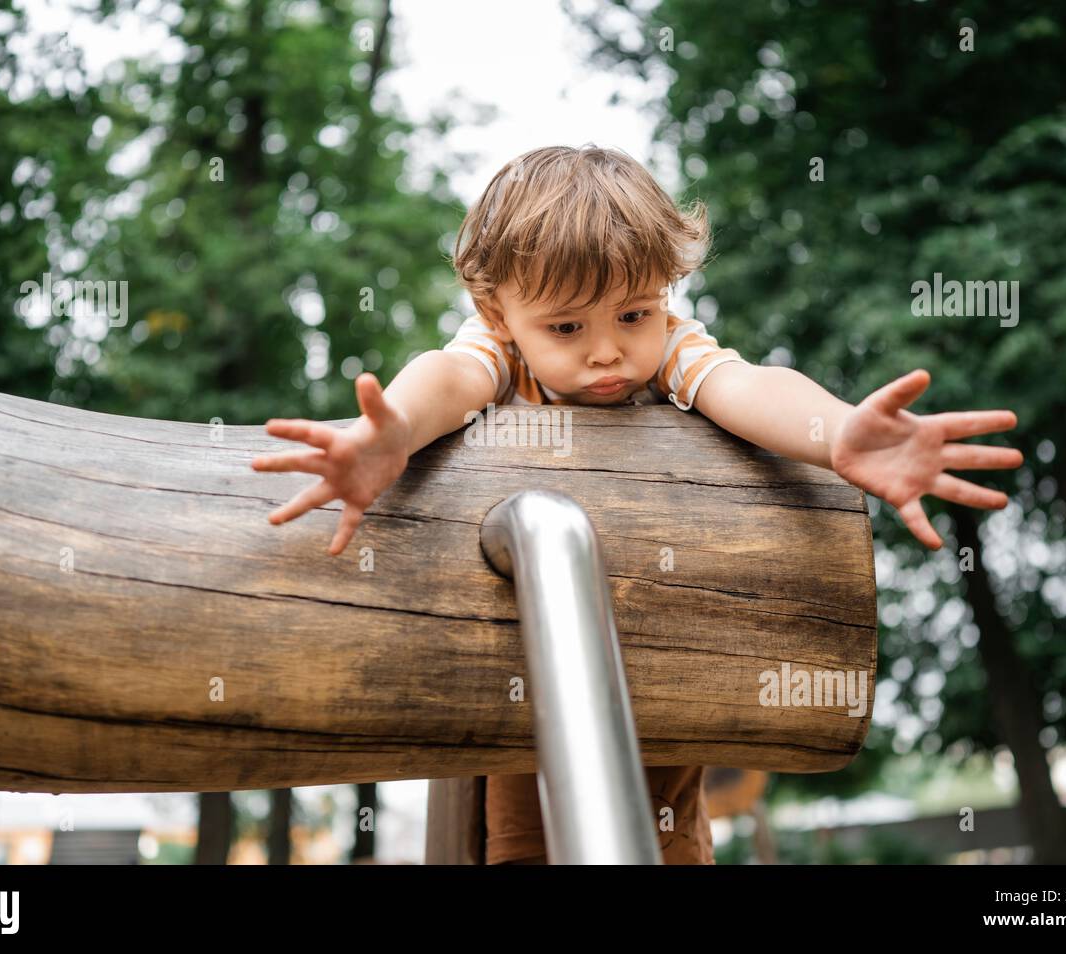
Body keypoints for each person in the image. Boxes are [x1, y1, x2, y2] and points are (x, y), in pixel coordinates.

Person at [251, 144, 1022, 864]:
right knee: (515, 833)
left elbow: (745, 385)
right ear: (499, 315)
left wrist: (839, 432)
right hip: (515, 671)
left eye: (633, 314)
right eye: (567, 327)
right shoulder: (503, 356)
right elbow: (448, 380)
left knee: (668, 834)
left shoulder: (671, 354)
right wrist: (389, 434)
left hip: (658, 660)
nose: (607, 350)